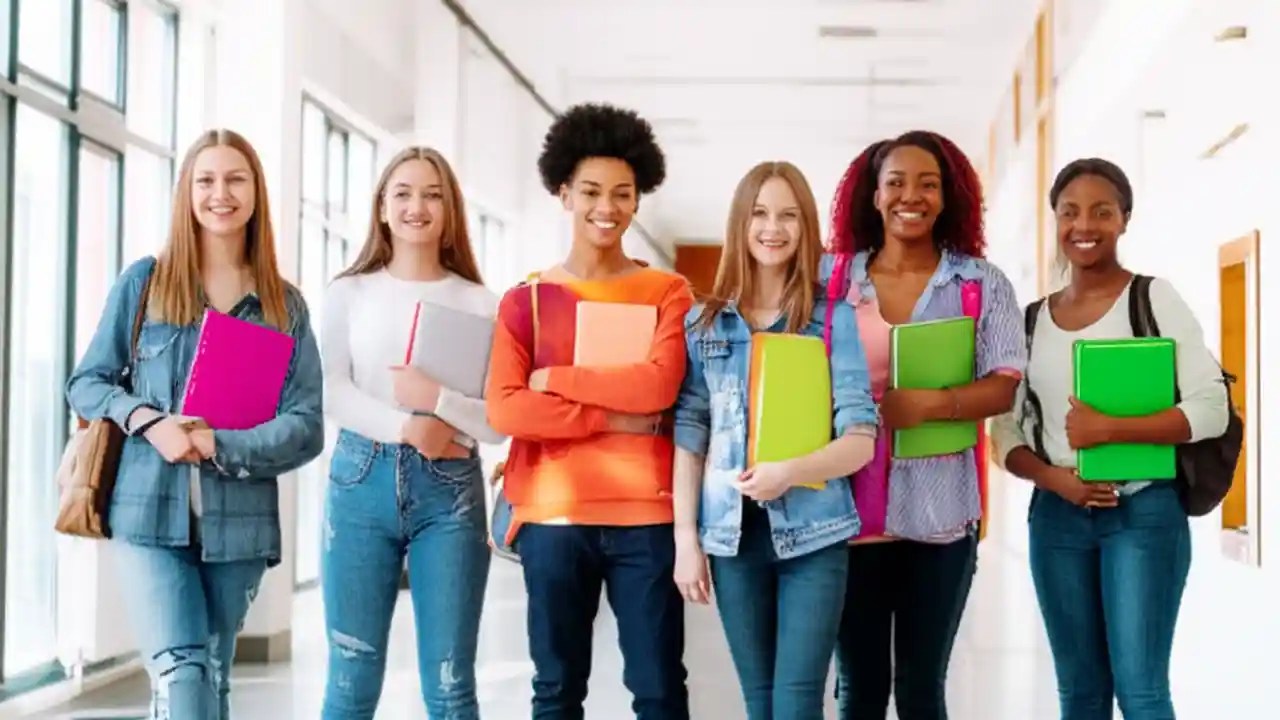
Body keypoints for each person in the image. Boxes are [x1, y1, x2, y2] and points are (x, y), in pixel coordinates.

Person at [66, 128, 323, 720]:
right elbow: (87, 381)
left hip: (240, 526)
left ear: (256, 192)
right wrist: (149, 420)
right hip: (146, 513)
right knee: (183, 673)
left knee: (211, 674)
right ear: (186, 192)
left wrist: (219, 443)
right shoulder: (146, 283)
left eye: (236, 179)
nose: (220, 193)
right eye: (205, 180)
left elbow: (306, 425)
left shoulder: (285, 307)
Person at [992, 158, 1227, 720]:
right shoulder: (1030, 321)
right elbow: (1004, 432)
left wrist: (1111, 430)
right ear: (1055, 220)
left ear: (1124, 219)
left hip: (1143, 513)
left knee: (1141, 691)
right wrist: (1054, 479)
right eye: (1069, 212)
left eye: (1102, 211)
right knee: (1080, 694)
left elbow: (1212, 408)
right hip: (1057, 519)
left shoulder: (1152, 299)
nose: (1084, 225)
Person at [484, 102, 693, 719]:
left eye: (623, 194)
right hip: (553, 517)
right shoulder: (525, 301)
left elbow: (659, 388)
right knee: (556, 689)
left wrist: (557, 381)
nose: (608, 207)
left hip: (647, 518)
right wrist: (609, 418)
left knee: (658, 689)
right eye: (593, 191)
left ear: (638, 199)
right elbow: (505, 408)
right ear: (563, 193)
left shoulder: (666, 292)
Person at [823, 130, 1026, 720]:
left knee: (920, 688)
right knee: (858, 687)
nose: (911, 196)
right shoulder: (830, 281)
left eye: (928, 183)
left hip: (941, 519)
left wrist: (932, 405)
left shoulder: (980, 283)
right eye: (896, 182)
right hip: (846, 517)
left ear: (949, 196)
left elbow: (1005, 380)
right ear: (873, 195)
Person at [671, 160, 878, 719]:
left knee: (795, 703)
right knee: (758, 702)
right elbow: (690, 435)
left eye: (789, 215)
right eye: (760, 213)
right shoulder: (704, 324)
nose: (773, 227)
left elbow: (861, 438)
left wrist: (789, 470)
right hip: (731, 540)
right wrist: (685, 541)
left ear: (806, 228)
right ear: (740, 223)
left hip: (816, 534)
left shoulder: (831, 321)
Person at [319, 147, 505, 719]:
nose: (416, 206)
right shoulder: (349, 293)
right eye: (402, 193)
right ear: (380, 207)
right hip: (358, 483)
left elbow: (497, 421)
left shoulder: (481, 303)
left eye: (432, 195)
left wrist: (440, 405)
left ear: (450, 211)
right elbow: (330, 390)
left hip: (449, 492)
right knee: (350, 680)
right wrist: (408, 428)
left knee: (450, 685)